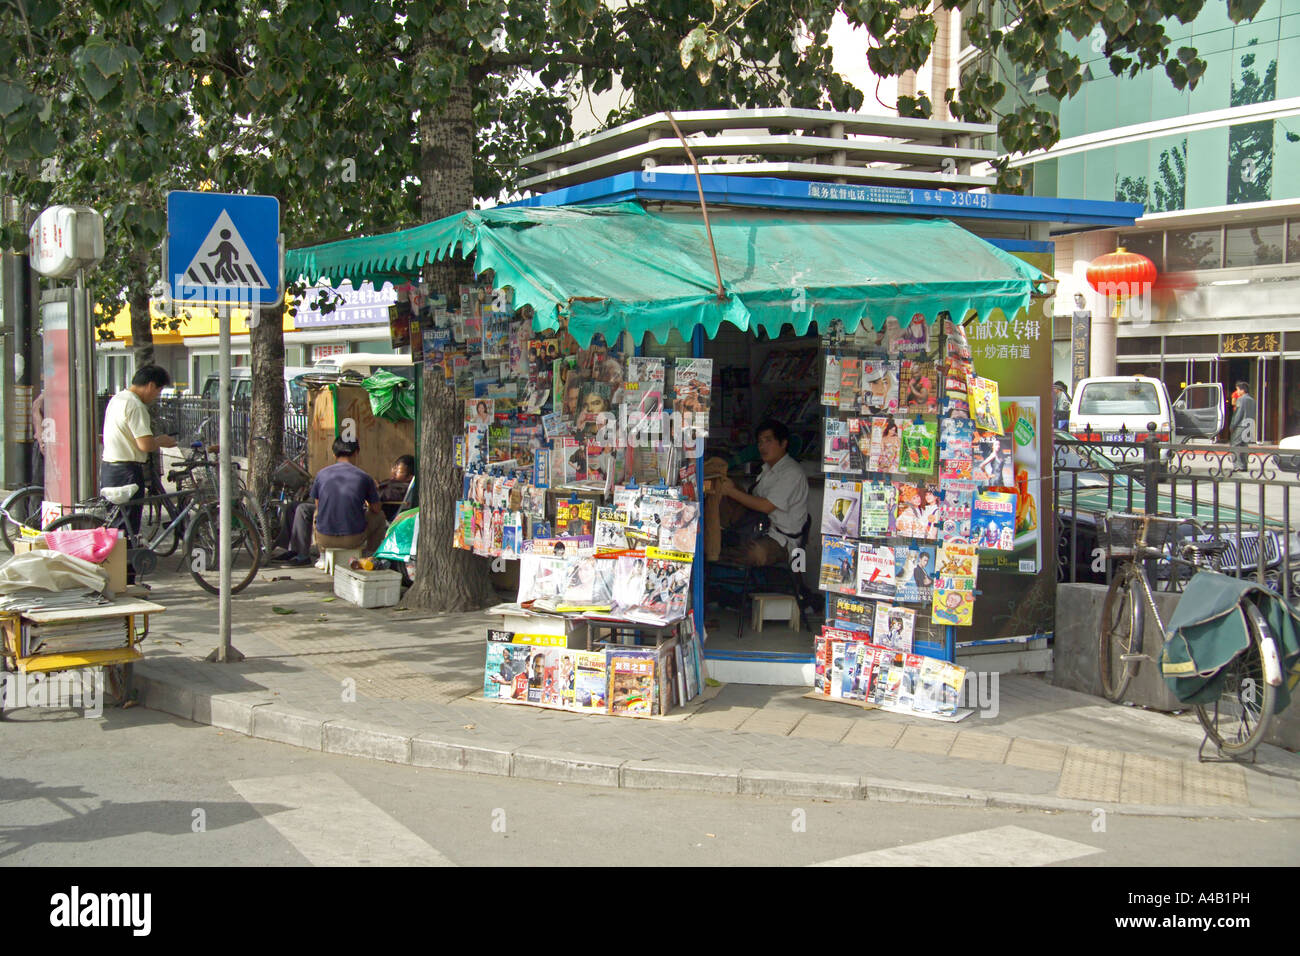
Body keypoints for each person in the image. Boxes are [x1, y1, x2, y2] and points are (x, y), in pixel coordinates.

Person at [100, 366, 177, 569]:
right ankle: (126, 577)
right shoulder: (135, 406)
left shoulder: (118, 399)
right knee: (127, 528)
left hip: (110, 468)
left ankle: (116, 574)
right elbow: (145, 444)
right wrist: (161, 441)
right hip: (127, 471)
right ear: (151, 385)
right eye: (158, 391)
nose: (156, 396)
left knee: (116, 526)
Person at [713, 418, 810, 567]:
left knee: (750, 554)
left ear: (783, 444)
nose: (762, 446)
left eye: (768, 441)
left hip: (780, 540)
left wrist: (732, 492)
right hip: (756, 529)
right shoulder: (766, 470)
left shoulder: (792, 473)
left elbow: (766, 506)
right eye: (760, 442)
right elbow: (751, 502)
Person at [306, 438, 386, 563]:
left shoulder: (321, 474)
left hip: (325, 539)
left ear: (334, 454)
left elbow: (319, 505)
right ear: (356, 453)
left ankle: (322, 556)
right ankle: (370, 555)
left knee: (317, 512)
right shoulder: (364, 477)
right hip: (353, 540)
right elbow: (376, 509)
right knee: (379, 516)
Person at [377, 454, 415, 521]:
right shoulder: (393, 483)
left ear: (409, 477)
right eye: (394, 468)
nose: (394, 472)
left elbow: (381, 496)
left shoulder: (401, 489)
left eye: (398, 471)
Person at [1230, 379, 1256, 470]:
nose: (1237, 392)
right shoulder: (1252, 400)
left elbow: (1238, 414)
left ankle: (1238, 466)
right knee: (1244, 446)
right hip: (1250, 425)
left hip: (1241, 425)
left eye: (1238, 390)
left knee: (1235, 445)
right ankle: (1244, 465)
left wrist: (1232, 425)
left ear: (1242, 390)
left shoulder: (1241, 399)